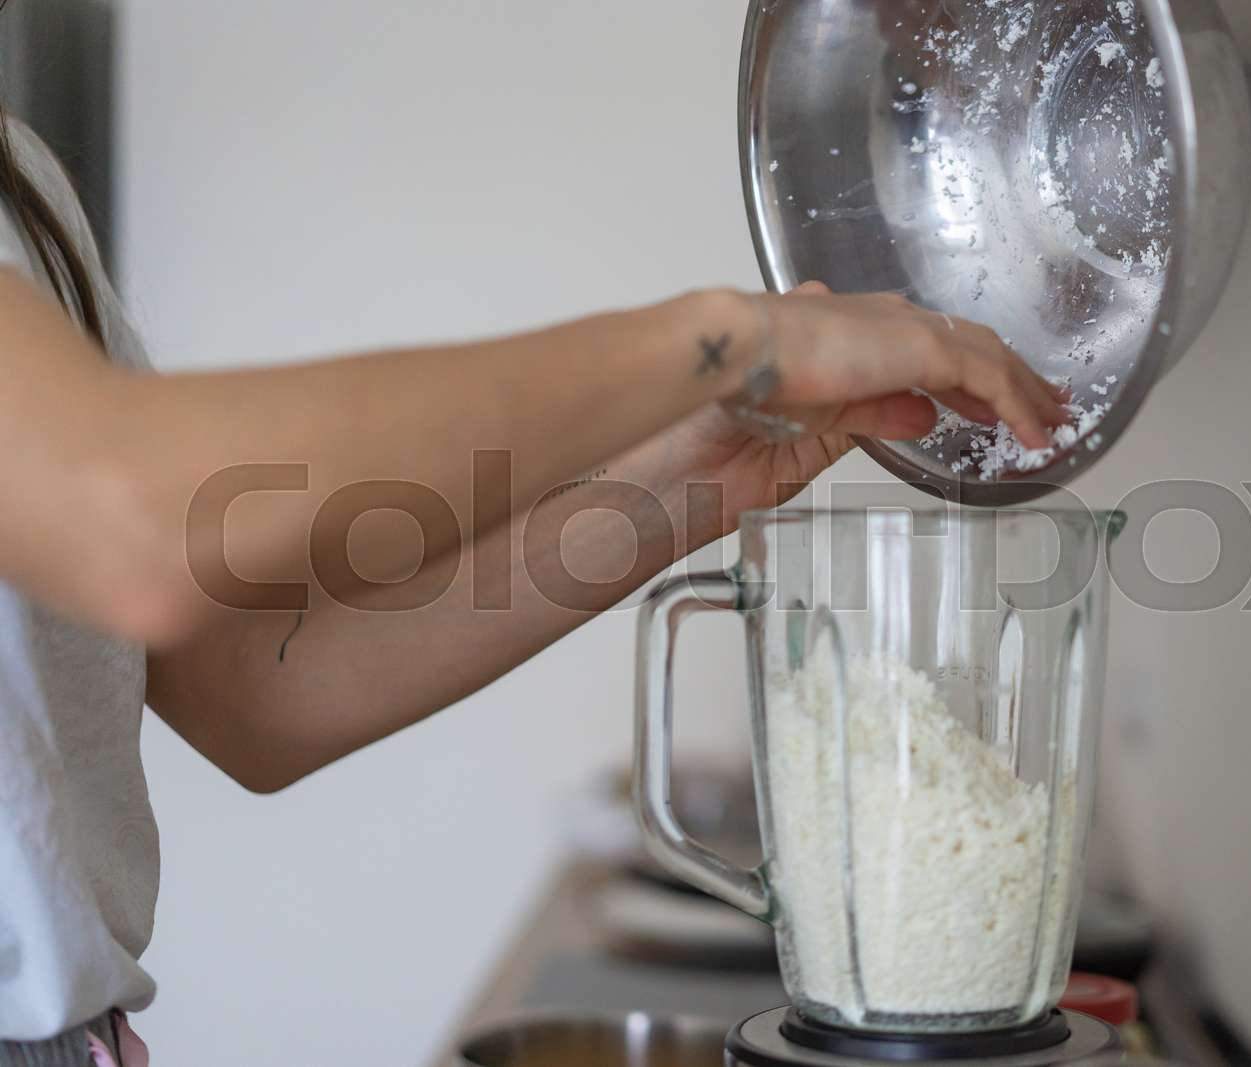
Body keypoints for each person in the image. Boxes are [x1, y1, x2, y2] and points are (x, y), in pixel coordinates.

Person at [0, 29, 1070, 1067]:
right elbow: (132, 523)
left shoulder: (21, 182)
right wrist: (730, 341)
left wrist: (684, 487)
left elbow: (253, 688)